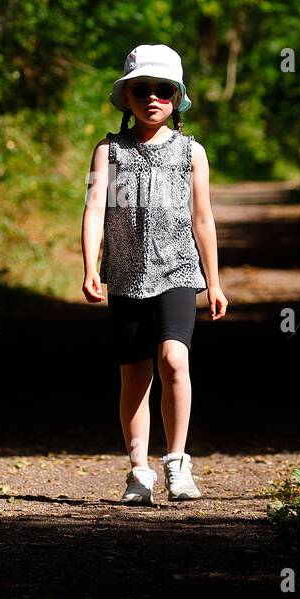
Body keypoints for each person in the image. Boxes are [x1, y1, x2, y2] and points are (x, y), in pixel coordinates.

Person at [80, 43, 229, 505]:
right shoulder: (108, 152)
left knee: (174, 361)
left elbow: (202, 218)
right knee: (135, 377)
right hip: (125, 276)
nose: (152, 98)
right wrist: (90, 265)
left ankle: (178, 463)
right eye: (141, 88)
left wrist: (215, 280)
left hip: (178, 271)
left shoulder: (191, 153)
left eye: (163, 89)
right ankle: (139, 471)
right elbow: (93, 210)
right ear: (127, 96)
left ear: (176, 98)